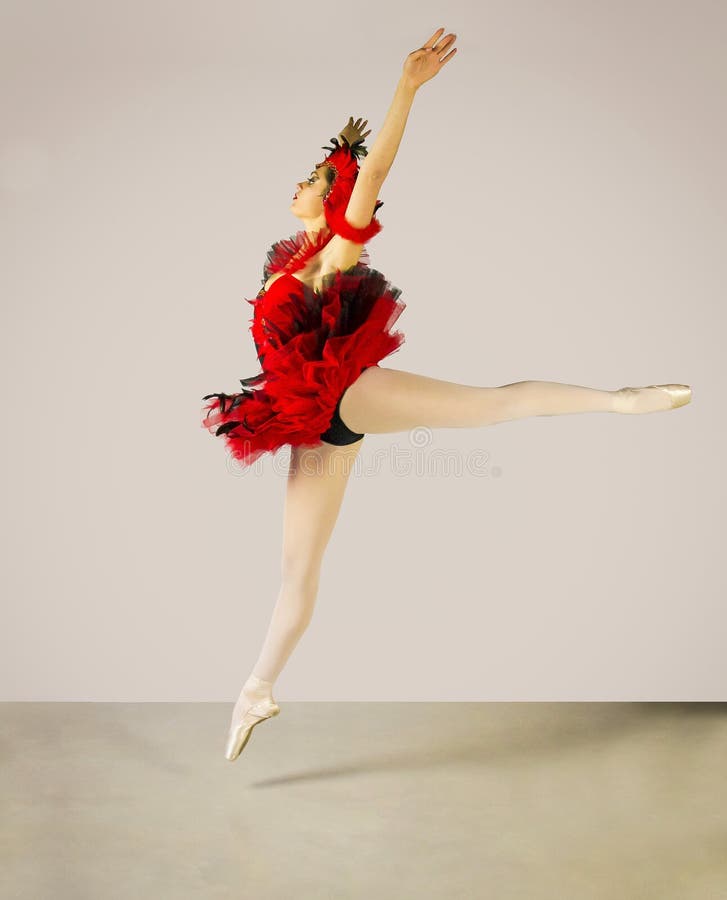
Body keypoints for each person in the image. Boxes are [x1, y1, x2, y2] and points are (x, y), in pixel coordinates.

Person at [201, 28, 692, 761]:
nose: (297, 183)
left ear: (332, 197)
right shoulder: (289, 258)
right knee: (297, 570)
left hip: (343, 391)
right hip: (313, 420)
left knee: (491, 404)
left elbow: (372, 173)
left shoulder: (331, 255)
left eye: (312, 177)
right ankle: (255, 691)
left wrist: (405, 89)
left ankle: (619, 399)